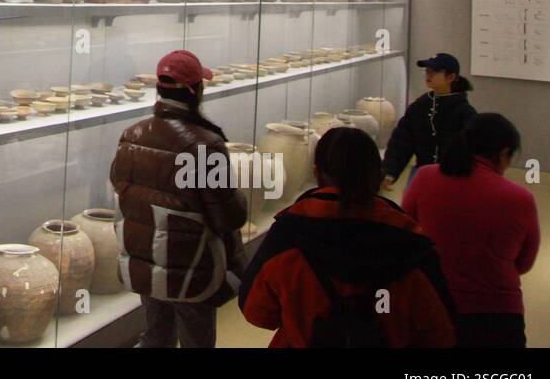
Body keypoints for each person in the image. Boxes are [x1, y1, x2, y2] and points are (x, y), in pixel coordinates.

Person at [240, 126, 455, 347]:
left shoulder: (289, 233)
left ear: (316, 172)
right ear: (374, 174)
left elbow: (257, 312)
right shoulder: (410, 243)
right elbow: (439, 331)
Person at [109, 50, 247, 347]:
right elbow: (230, 216)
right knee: (196, 338)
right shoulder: (205, 146)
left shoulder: (131, 136)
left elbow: (122, 189)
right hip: (192, 267)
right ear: (194, 91)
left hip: (146, 260)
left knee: (156, 334)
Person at [402, 113, 539, 347]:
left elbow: (405, 235)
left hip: (432, 304)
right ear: (504, 153)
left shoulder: (424, 177)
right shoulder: (520, 198)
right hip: (497, 315)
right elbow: (524, 264)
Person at [382, 52, 477, 188]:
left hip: (453, 178)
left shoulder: (465, 113)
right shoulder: (419, 107)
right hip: (422, 173)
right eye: (427, 70)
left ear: (451, 77)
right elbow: (402, 141)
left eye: (435, 71)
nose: (428, 74)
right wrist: (390, 171)